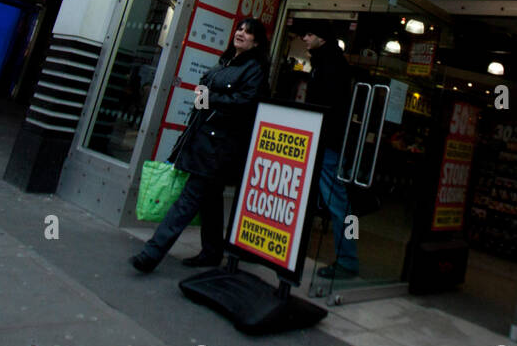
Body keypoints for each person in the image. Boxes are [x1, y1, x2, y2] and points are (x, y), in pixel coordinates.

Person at [131, 17, 270, 273]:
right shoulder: (224, 62)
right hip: (203, 140)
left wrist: (211, 97)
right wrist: (204, 99)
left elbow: (247, 104)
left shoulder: (254, 69)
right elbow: (204, 104)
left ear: (256, 42)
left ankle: (151, 254)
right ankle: (212, 252)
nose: (240, 33)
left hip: (219, 148)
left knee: (187, 201)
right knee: (210, 200)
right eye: (239, 29)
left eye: (248, 32)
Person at [299, 20, 359, 279]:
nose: (305, 38)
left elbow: (329, 106)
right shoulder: (329, 61)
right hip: (326, 140)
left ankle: (348, 259)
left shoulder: (329, 65)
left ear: (322, 38)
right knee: (333, 201)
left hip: (326, 142)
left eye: (309, 33)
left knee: (336, 202)